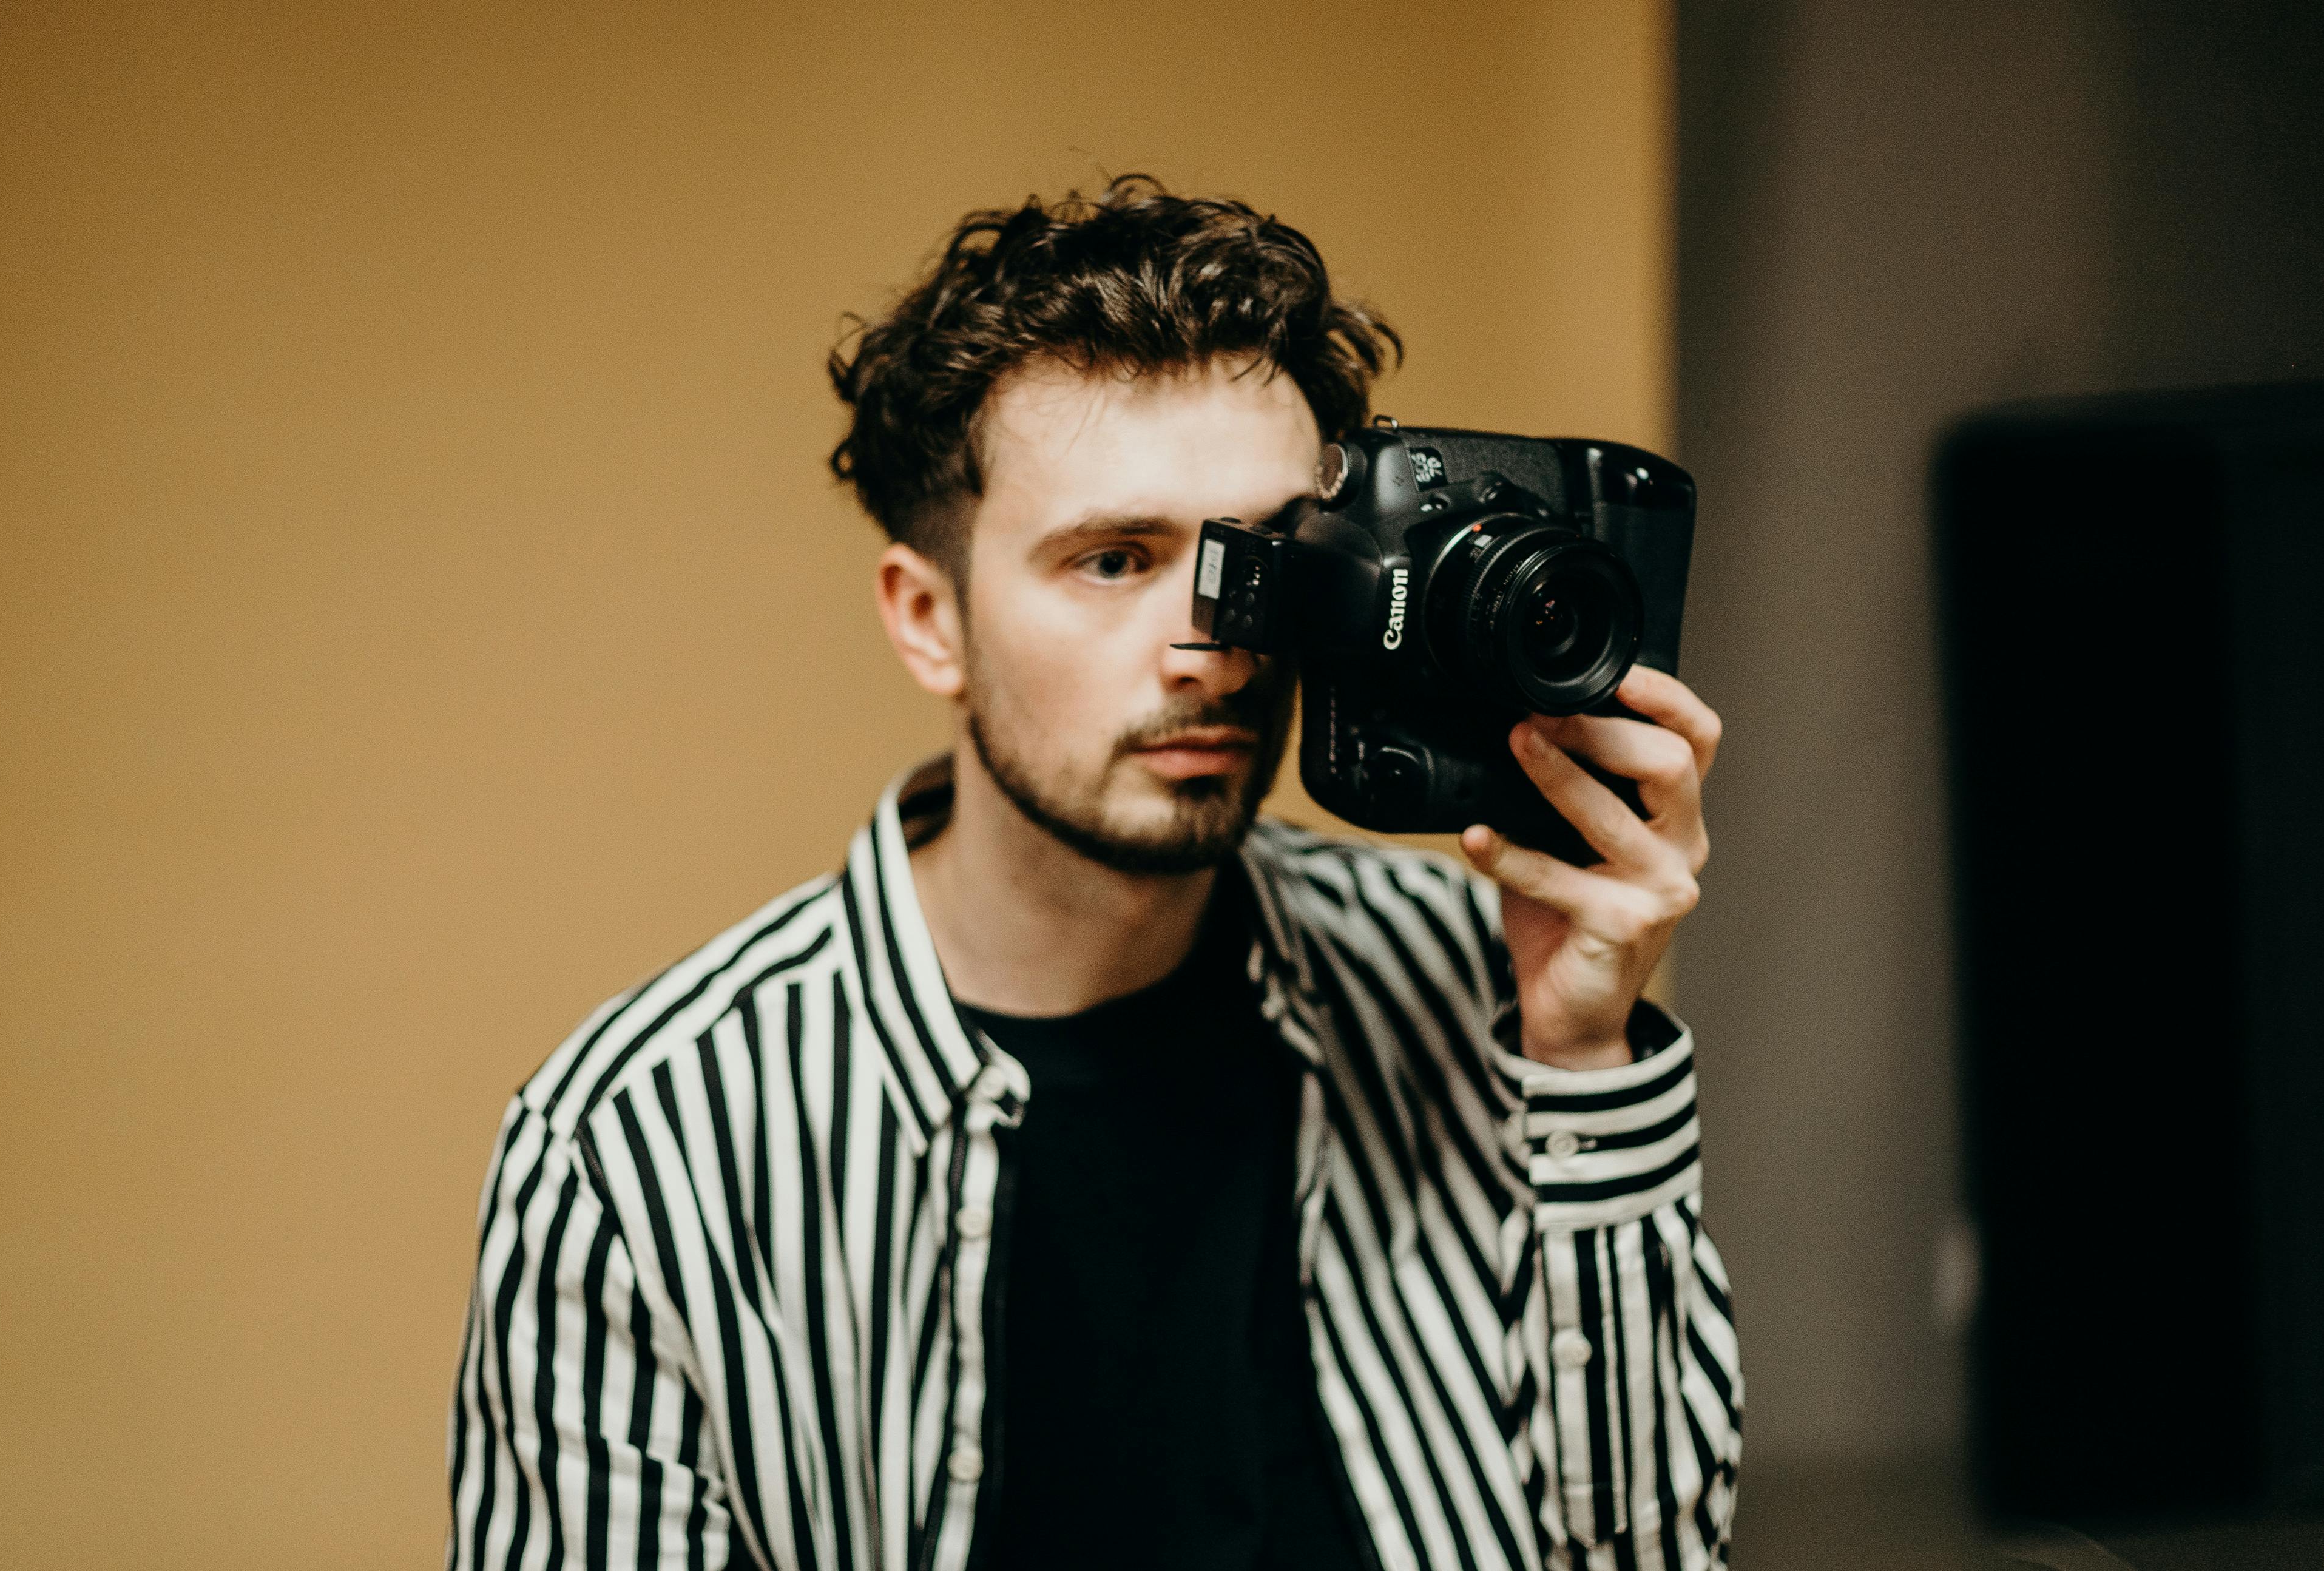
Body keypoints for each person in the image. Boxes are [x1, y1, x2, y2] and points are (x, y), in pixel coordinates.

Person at [448, 177, 1740, 1571]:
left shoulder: (1467, 973)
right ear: (929, 618)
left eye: (1260, 559)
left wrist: (1585, 1056)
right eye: (1115, 560)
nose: (1211, 646)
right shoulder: (649, 1144)